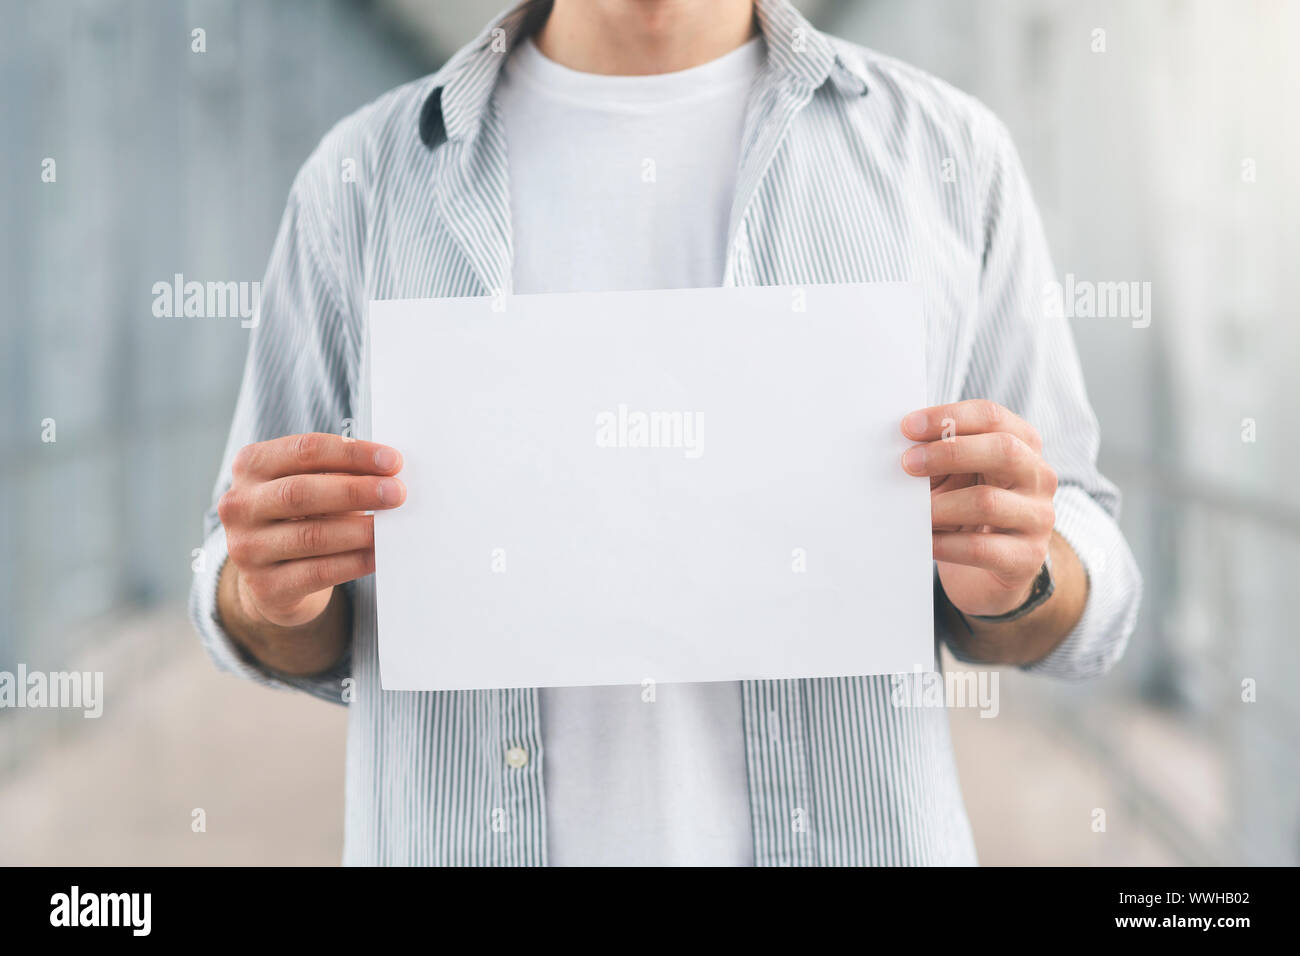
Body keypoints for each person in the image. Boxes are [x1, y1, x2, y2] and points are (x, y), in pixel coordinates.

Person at [190, 0, 1142, 866]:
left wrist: (1020, 579)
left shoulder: (947, 155)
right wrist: (271, 591)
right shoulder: (362, 181)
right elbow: (255, 589)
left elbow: (1082, 566)